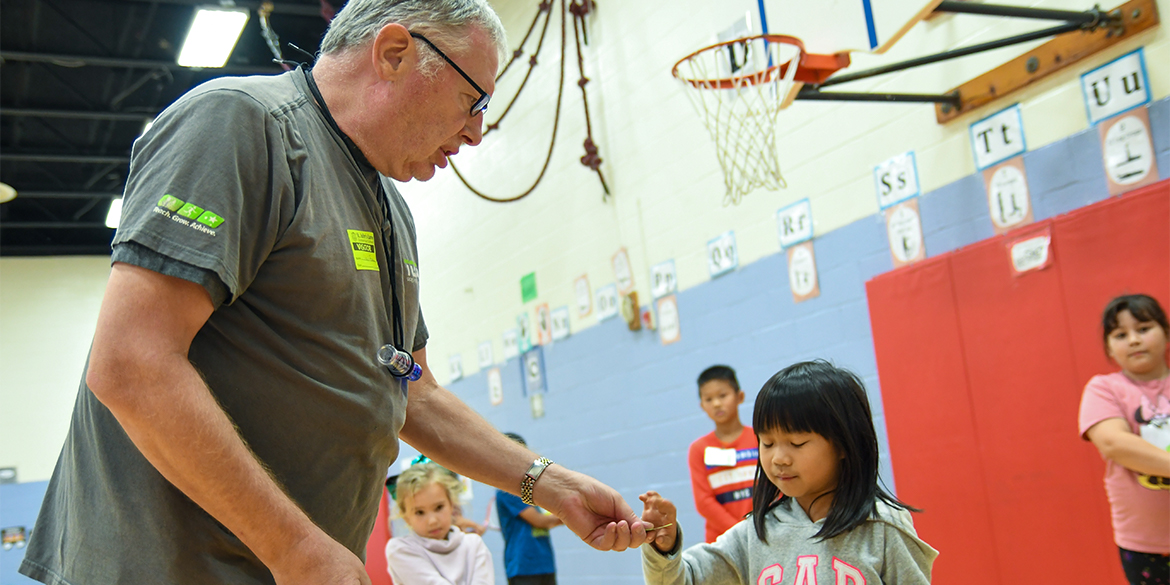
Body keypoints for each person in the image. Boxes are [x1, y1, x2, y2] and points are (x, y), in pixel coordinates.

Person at [18, 1, 650, 584]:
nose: (477, 131)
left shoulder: (390, 209)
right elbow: (130, 364)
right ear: (395, 51)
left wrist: (549, 484)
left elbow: (413, 393)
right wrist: (293, 546)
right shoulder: (243, 123)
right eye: (472, 98)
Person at [640, 361, 937, 584]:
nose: (779, 458)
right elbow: (681, 579)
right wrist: (664, 548)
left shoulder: (883, 528)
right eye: (767, 443)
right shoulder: (756, 533)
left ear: (844, 444)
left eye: (796, 443)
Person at [1079, 294, 1170, 585]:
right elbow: (1114, 444)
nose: (1133, 340)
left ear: (1166, 334)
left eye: (1143, 328)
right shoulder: (1104, 388)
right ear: (1109, 347)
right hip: (1145, 544)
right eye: (1120, 334)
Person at [387, 462, 493, 585]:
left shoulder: (473, 545)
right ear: (406, 518)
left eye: (438, 507)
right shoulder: (400, 549)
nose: (432, 521)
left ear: (452, 504)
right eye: (420, 512)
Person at [688, 365, 758, 542]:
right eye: (709, 399)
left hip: (763, 534)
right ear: (702, 405)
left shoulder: (761, 438)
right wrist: (740, 532)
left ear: (739, 397)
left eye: (722, 395)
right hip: (723, 542)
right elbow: (704, 502)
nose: (717, 403)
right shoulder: (698, 450)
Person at [497, 433, 563, 585]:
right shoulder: (505, 491)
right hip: (523, 566)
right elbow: (538, 521)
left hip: (544, 563)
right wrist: (566, 517)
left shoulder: (531, 489)